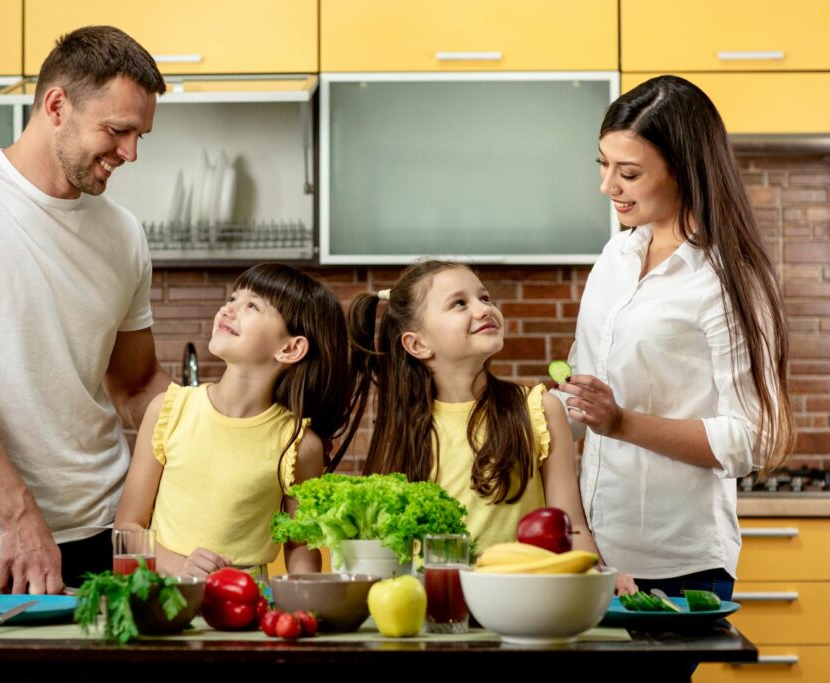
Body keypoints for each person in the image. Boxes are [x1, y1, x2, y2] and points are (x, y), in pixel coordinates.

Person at [0, 26, 172, 596]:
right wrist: (19, 518)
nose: (130, 153)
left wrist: (229, 426)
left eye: (140, 135)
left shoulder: (123, 233)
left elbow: (137, 385)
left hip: (103, 533)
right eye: (117, 131)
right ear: (57, 105)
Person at [557, 75, 795, 602]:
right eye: (603, 165)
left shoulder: (728, 279)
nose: (607, 186)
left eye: (629, 173)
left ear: (685, 170)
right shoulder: (615, 257)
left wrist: (621, 422)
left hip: (678, 562)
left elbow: (753, 438)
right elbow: (581, 395)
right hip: (593, 553)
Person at [344, 260, 634, 592]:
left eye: (484, 298)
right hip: (434, 599)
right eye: (459, 303)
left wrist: (598, 574)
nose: (484, 309)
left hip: (521, 599)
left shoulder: (539, 409)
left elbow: (571, 525)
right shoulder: (402, 428)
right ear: (417, 344)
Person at [115, 263, 354, 578]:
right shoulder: (167, 411)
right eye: (232, 299)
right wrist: (180, 567)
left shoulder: (299, 444)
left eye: (252, 306)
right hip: (164, 590)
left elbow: (300, 546)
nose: (227, 310)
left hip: (248, 598)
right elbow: (127, 528)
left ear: (290, 348)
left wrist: (303, 594)